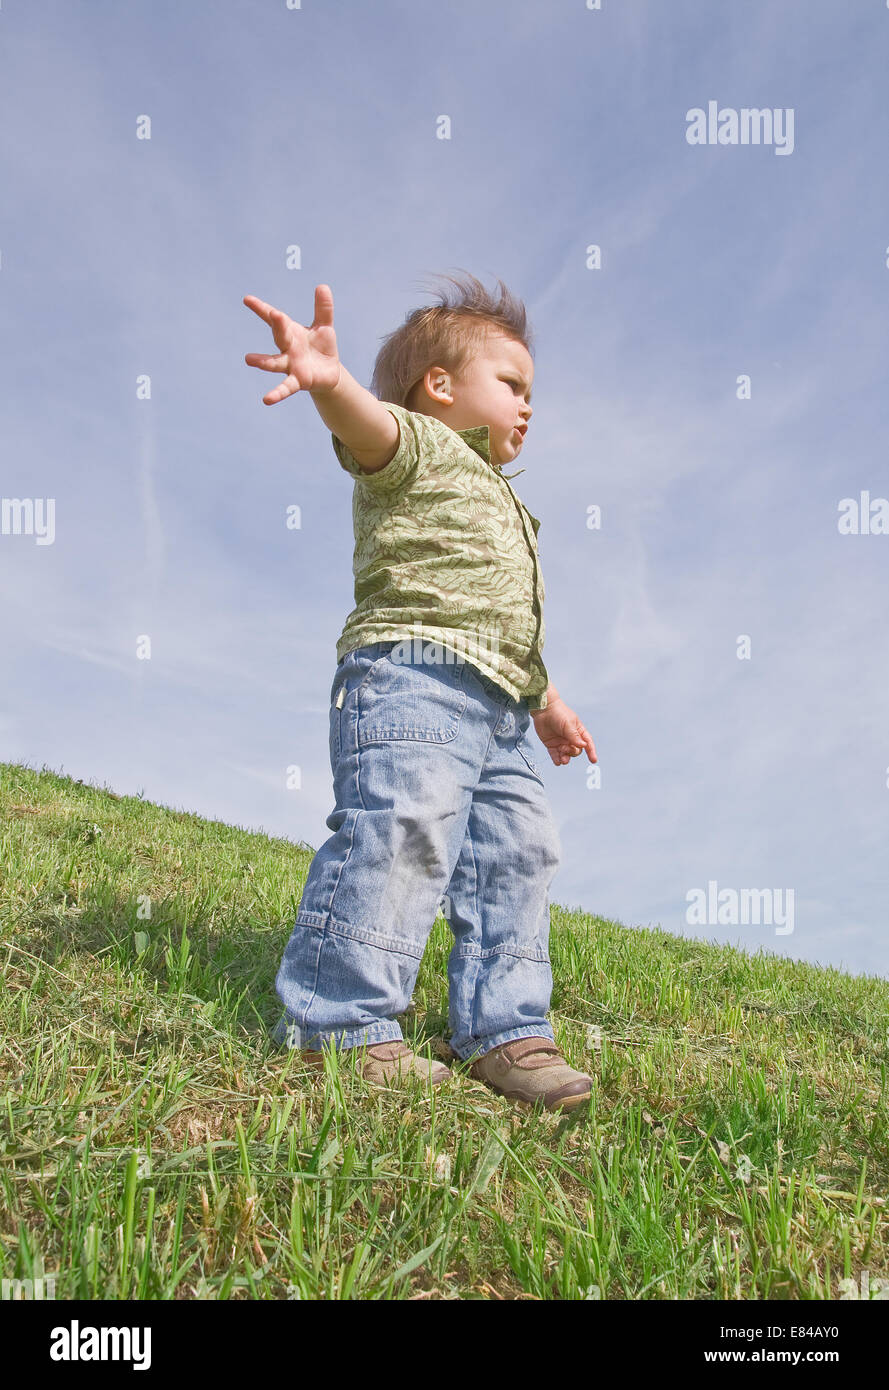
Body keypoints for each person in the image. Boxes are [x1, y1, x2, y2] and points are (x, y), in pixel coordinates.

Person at [243, 271, 598, 1112]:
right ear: (438, 386)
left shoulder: (509, 503)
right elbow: (368, 431)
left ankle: (504, 1029)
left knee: (519, 853)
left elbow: (511, 622)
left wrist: (547, 702)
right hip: (413, 679)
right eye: (511, 384)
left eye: (529, 390)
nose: (527, 404)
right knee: (405, 830)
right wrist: (330, 384)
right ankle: (341, 1024)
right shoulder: (416, 446)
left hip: (501, 707)